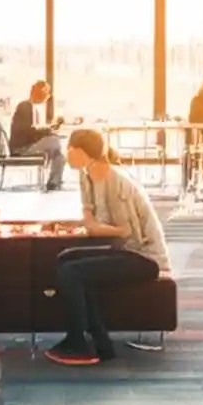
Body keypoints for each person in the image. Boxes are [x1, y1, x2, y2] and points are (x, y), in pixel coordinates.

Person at [45, 129, 171, 366]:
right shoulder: (86, 175)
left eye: (69, 149)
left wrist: (91, 227)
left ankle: (78, 343)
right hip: (122, 251)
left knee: (72, 272)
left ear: (82, 152)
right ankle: (100, 342)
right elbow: (91, 218)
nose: (66, 153)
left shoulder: (115, 180)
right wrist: (70, 224)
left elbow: (125, 231)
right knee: (65, 259)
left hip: (143, 257)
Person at [9, 80, 67, 191]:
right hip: (22, 148)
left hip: (29, 145)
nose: (47, 96)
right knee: (54, 141)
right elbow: (27, 131)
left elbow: (32, 130)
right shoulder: (25, 106)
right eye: (46, 93)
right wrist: (47, 131)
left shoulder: (30, 107)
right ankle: (54, 180)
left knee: (60, 156)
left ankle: (54, 182)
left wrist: (47, 130)